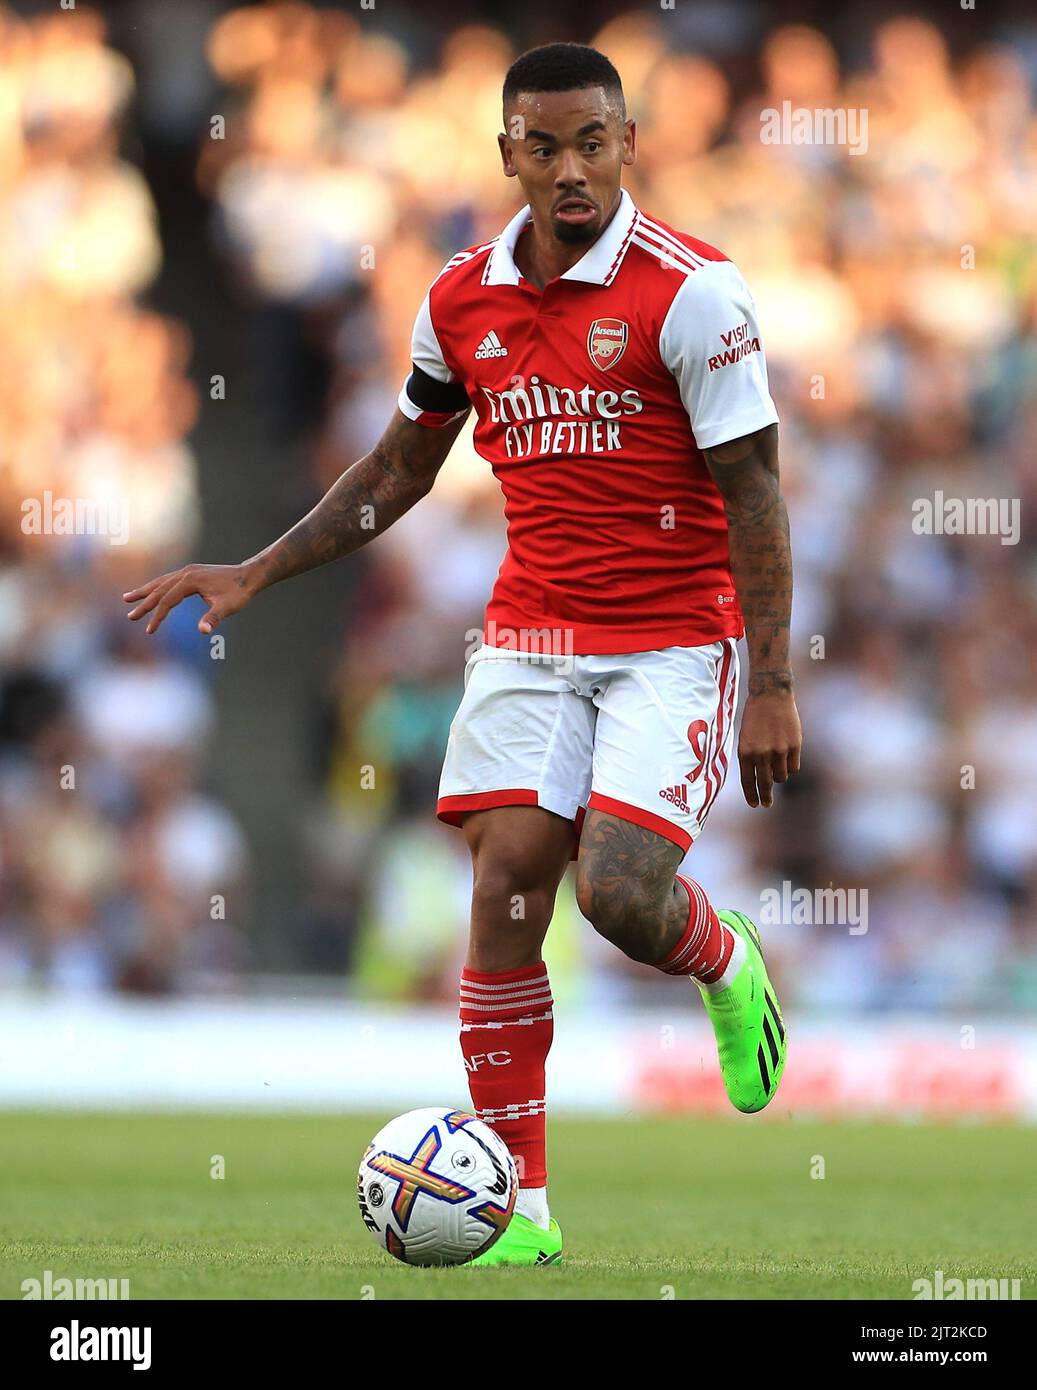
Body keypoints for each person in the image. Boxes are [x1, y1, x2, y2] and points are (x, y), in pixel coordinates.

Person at [125, 42, 801, 1267]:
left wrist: (772, 683)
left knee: (615, 896)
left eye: (592, 142)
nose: (570, 170)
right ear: (508, 157)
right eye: (542, 147)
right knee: (499, 899)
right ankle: (523, 1216)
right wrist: (256, 568)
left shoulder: (694, 292)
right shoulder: (459, 299)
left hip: (667, 637)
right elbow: (399, 467)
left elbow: (753, 492)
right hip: (531, 634)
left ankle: (720, 956)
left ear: (628, 145)